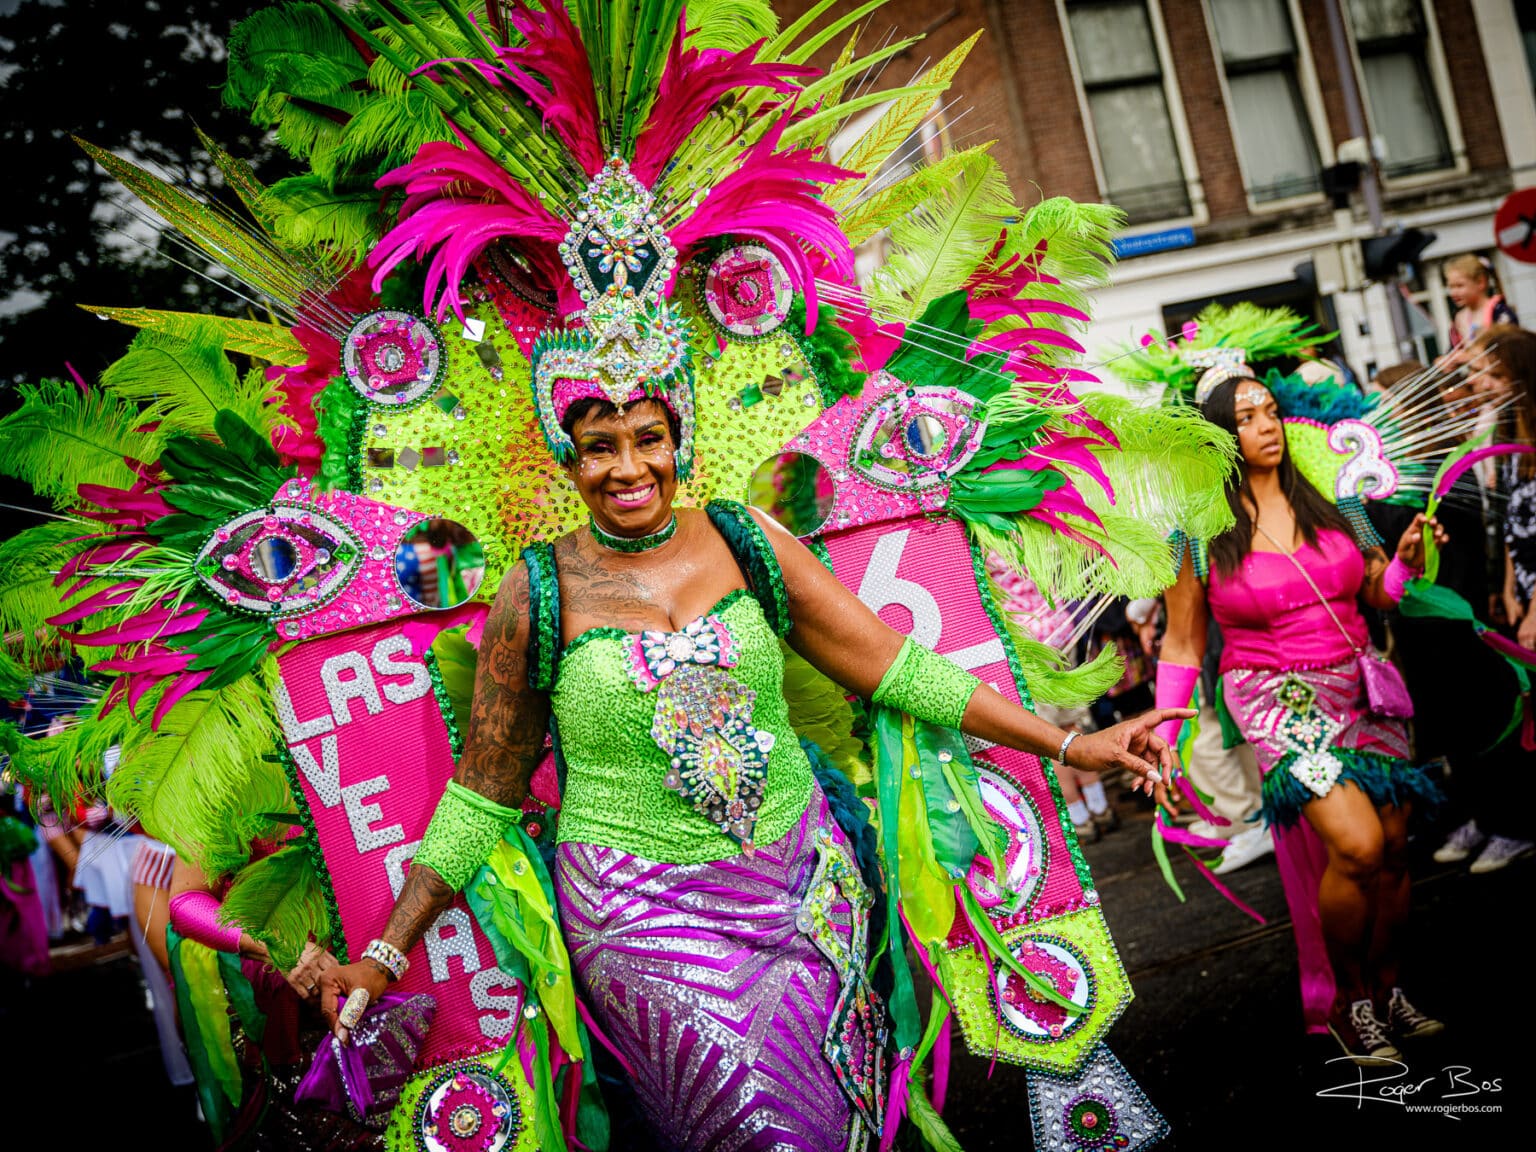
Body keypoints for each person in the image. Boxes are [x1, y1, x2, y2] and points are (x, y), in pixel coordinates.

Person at [319, 391, 1190, 1152]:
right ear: (566, 455)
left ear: (679, 438)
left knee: (843, 1119)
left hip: (805, 890)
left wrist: (1072, 745)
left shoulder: (743, 536)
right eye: (600, 446)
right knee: (760, 1131)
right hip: (639, 915)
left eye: (649, 438)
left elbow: (893, 664)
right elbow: (485, 787)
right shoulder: (537, 588)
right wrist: (387, 955)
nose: (630, 467)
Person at [1156, 364, 1446, 1062]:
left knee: (1396, 845)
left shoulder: (1333, 498)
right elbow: (1184, 638)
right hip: (1276, 698)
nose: (1266, 427)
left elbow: (1379, 592)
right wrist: (1167, 731)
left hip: (1362, 685)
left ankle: (1388, 990)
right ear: (1218, 439)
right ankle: (1347, 1005)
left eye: (1269, 411)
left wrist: (1406, 559)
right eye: (1245, 418)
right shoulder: (1198, 530)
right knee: (1358, 845)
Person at [1434, 325, 1536, 873]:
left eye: (1496, 374)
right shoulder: (1502, 428)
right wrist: (1505, 589)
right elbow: (1510, 528)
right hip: (1520, 592)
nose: (1485, 384)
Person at [1444, 254, 1517, 351]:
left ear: (1480, 282)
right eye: (1451, 287)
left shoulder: (1500, 311)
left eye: (1459, 286)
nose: (1453, 293)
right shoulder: (1458, 319)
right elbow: (1454, 350)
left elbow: (1509, 349)